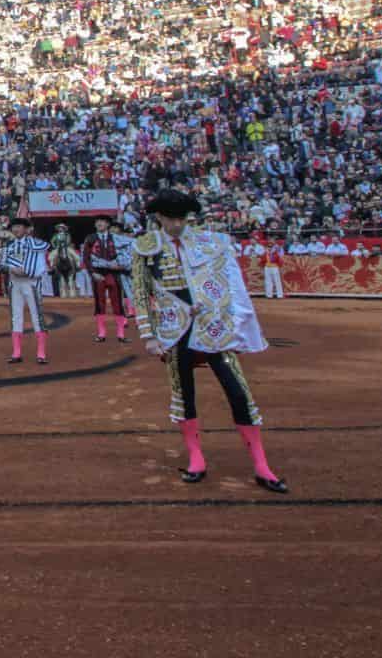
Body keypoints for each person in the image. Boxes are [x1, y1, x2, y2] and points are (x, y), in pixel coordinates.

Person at [130, 189, 287, 493]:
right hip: (174, 329)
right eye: (171, 218)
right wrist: (148, 336)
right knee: (184, 393)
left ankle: (261, 465)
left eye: (182, 218)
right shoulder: (145, 246)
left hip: (212, 326)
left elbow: (227, 281)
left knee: (238, 391)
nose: (177, 224)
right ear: (159, 217)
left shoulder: (209, 242)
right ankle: (196, 458)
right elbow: (140, 292)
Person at [1, 217, 51, 365]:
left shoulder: (37, 244)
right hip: (15, 283)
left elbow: (40, 265)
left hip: (31, 283)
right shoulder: (9, 245)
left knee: (37, 315)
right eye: (14, 227)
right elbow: (1, 263)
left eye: (19, 227)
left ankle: (41, 353)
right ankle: (16, 353)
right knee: (16, 316)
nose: (16, 229)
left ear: (26, 229)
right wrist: (12, 269)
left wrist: (27, 271)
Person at [82, 216, 133, 343]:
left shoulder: (116, 239)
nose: (99, 223)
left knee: (117, 302)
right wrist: (93, 273)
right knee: (100, 303)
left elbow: (127, 252)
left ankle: (121, 334)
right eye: (97, 221)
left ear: (108, 224)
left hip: (114, 273)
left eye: (102, 221)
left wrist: (123, 265)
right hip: (98, 274)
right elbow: (86, 258)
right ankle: (101, 333)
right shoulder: (90, 238)